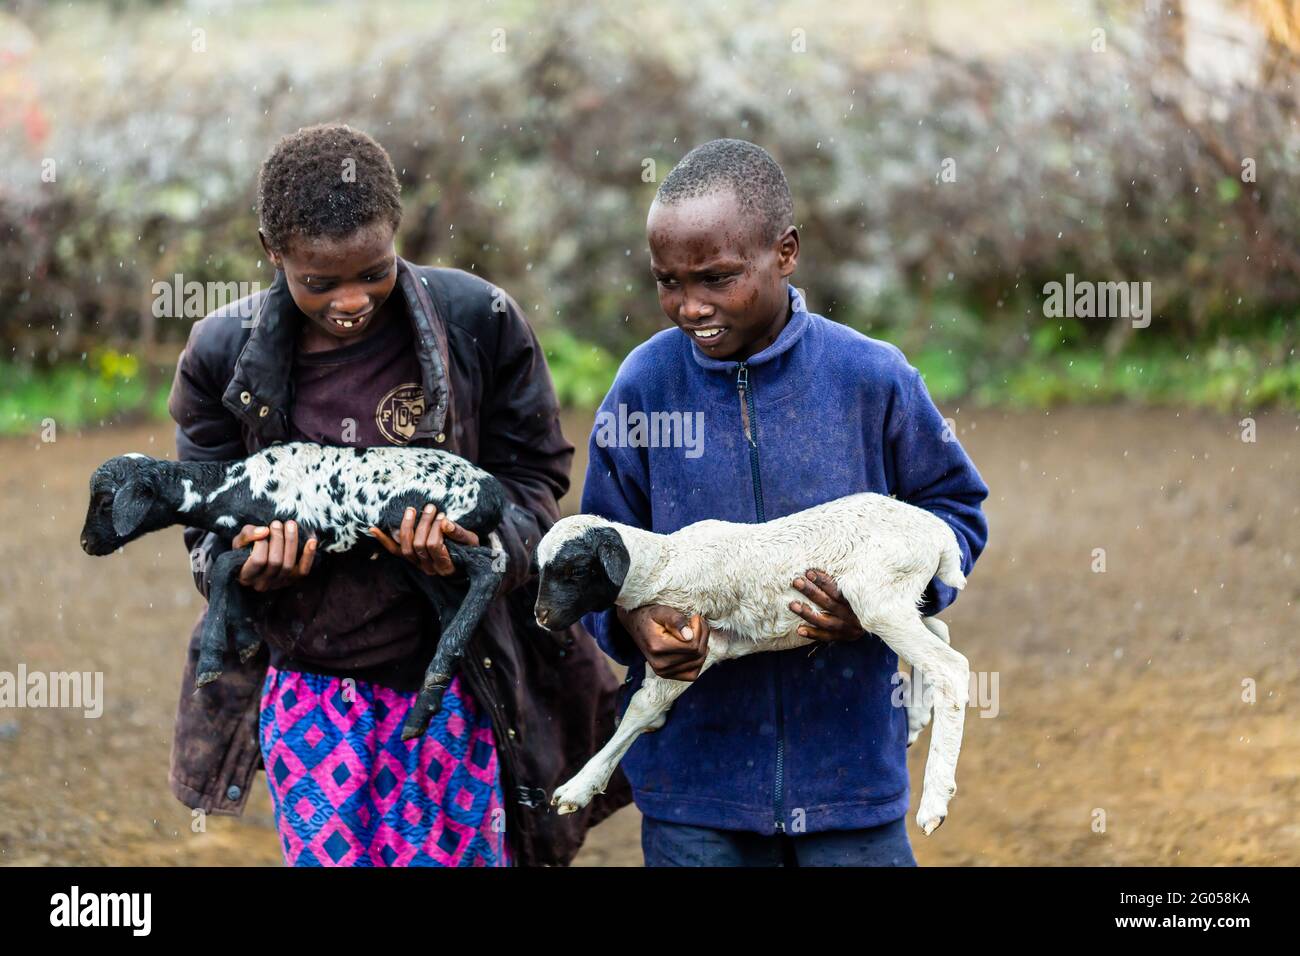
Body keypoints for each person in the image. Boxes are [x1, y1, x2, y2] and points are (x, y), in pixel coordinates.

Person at [167, 123, 628, 866]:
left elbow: (538, 480)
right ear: (269, 249)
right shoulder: (223, 356)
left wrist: (478, 550)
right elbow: (205, 521)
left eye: (373, 273)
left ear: (397, 232)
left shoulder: (479, 321)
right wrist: (247, 566)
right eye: (320, 281)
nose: (351, 300)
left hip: (461, 684)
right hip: (311, 690)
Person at [580, 138, 989, 867]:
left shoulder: (870, 380)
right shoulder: (643, 390)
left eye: (717, 277)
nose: (690, 305)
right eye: (668, 282)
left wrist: (891, 600)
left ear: (786, 252)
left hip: (850, 785)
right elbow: (597, 558)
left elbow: (954, 512)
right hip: (694, 790)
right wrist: (632, 624)